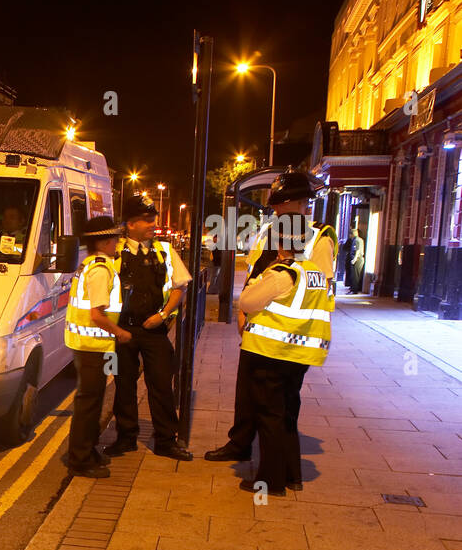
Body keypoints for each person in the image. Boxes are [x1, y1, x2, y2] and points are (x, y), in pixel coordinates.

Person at [205, 172, 336, 467]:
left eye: (281, 203)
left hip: (291, 334)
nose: (276, 209)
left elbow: (317, 286)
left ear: (301, 203)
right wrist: (243, 312)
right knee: (248, 393)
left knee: (282, 402)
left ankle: (279, 467)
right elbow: (254, 273)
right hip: (258, 329)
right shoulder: (268, 231)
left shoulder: (319, 236)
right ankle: (240, 443)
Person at [103, 194, 194, 460]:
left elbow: (180, 287)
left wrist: (164, 314)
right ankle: (126, 437)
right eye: (146, 220)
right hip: (123, 331)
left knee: (162, 385)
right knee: (123, 386)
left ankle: (166, 440)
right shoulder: (114, 252)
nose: (152, 224)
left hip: (155, 329)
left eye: (152, 219)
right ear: (130, 224)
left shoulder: (165, 250)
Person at [63, 215, 130, 478]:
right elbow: (97, 315)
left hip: (87, 344)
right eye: (114, 238)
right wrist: (120, 332)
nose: (117, 243)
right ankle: (80, 459)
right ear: (103, 241)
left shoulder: (88, 264)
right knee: (88, 404)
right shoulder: (101, 270)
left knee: (91, 401)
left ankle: (88, 451)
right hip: (92, 345)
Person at [346, 224, 365, 293]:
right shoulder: (360, 240)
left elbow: (357, 250)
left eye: (350, 235)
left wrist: (354, 259)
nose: (349, 236)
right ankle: (354, 289)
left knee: (355, 276)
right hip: (359, 259)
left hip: (357, 260)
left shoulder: (356, 240)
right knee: (355, 275)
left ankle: (354, 290)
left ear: (352, 234)